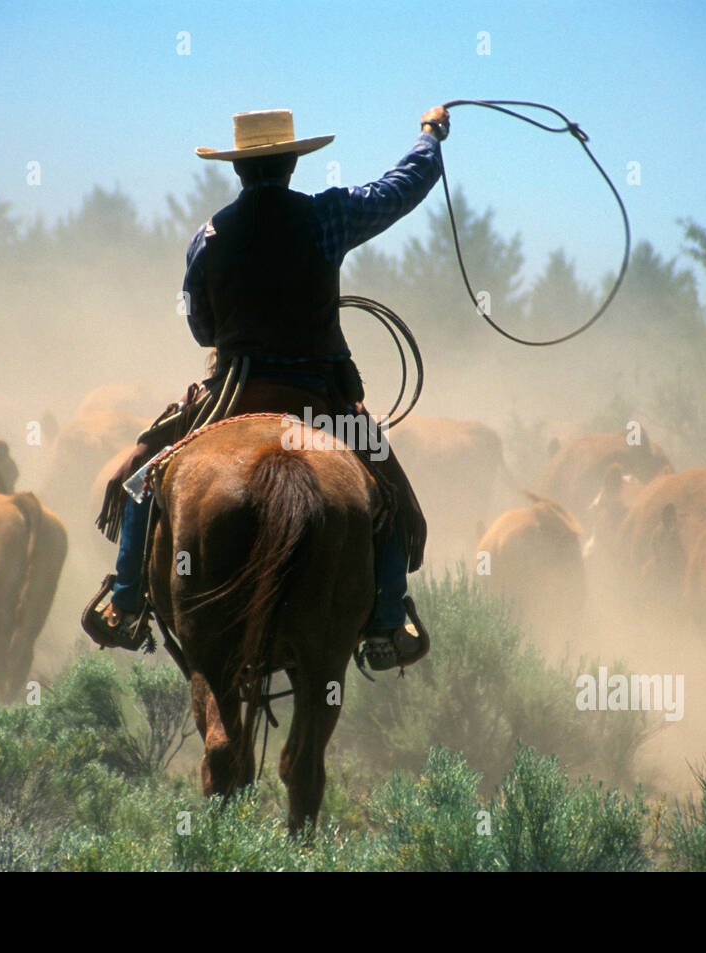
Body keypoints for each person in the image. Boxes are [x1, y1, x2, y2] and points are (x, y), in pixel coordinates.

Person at [86, 105, 450, 670]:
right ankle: (386, 618)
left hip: (231, 392)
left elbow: (201, 325)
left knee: (144, 479)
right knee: (386, 491)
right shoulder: (330, 215)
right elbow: (401, 187)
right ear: (290, 164)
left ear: (239, 171)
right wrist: (430, 136)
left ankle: (127, 600)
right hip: (322, 398)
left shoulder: (208, 236)